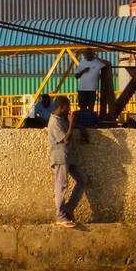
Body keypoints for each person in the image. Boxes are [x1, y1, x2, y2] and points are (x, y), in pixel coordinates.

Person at [47, 96, 86, 228]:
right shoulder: (54, 122)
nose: (69, 109)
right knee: (61, 185)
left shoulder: (60, 119)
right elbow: (65, 139)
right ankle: (60, 216)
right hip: (61, 157)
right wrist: (71, 123)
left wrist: (79, 128)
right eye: (68, 106)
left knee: (82, 180)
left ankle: (69, 208)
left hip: (68, 156)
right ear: (61, 106)